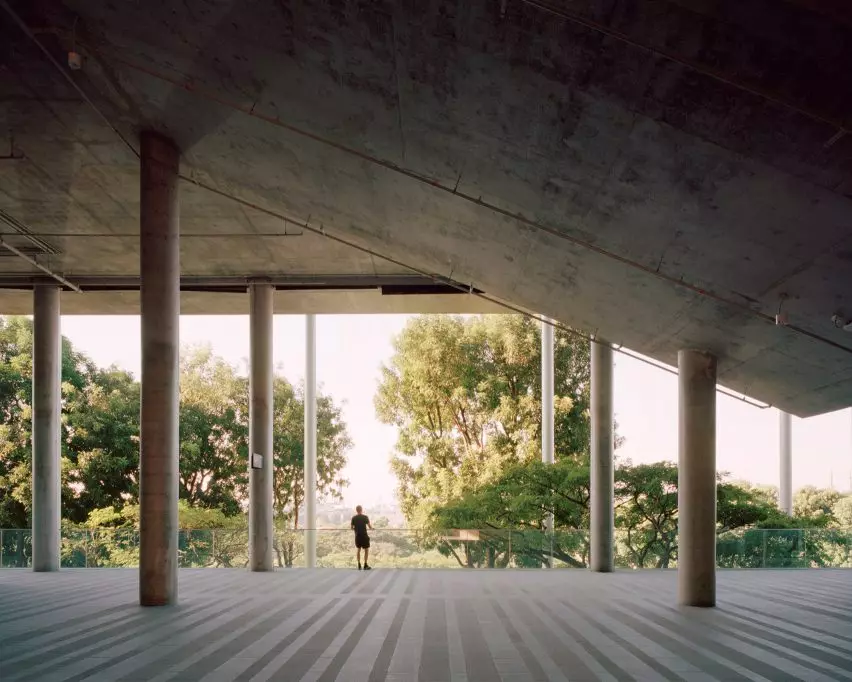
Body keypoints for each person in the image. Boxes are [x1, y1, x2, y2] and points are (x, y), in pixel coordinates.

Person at [351, 505, 373, 570]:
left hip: (357, 536)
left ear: (356, 510)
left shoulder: (353, 518)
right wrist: (372, 528)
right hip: (364, 536)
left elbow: (352, 528)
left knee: (358, 550)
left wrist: (356, 528)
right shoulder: (365, 517)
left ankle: (359, 564)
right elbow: (369, 527)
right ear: (361, 510)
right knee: (366, 550)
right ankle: (365, 565)